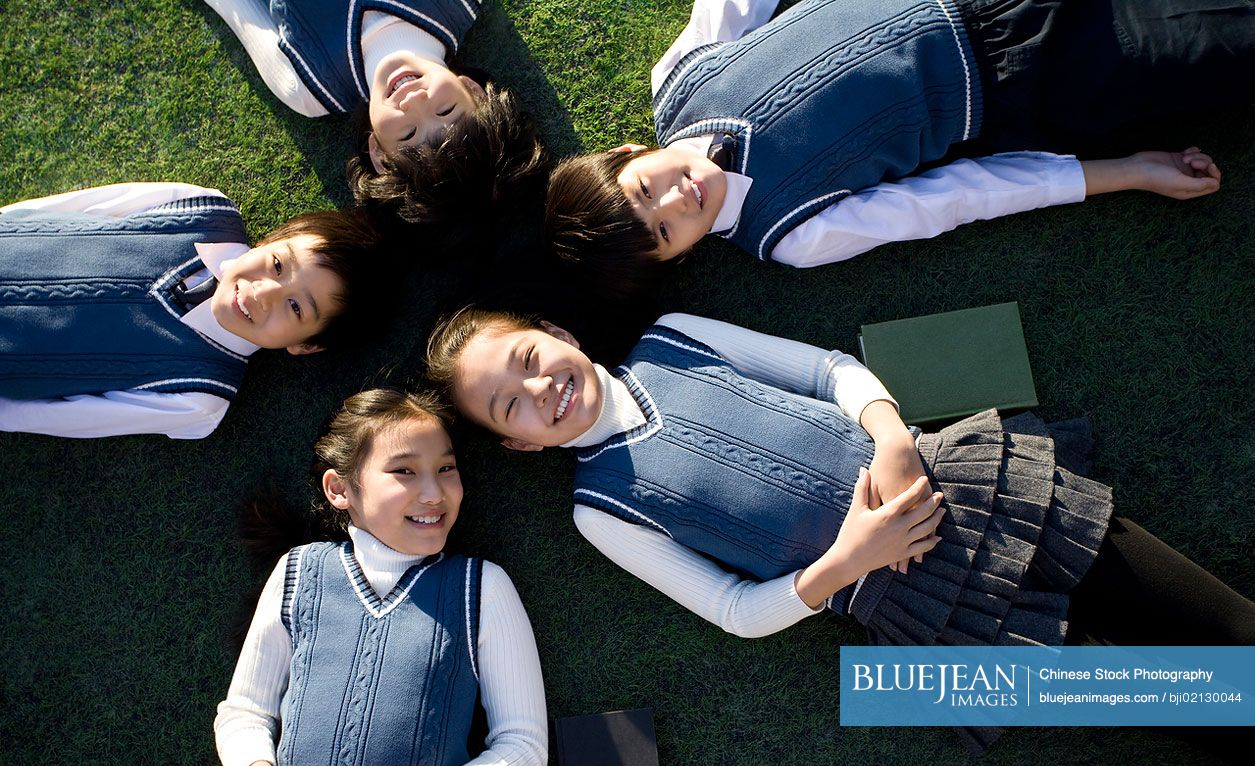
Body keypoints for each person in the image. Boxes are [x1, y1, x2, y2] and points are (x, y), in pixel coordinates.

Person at [426, 307, 1255, 656]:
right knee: (1166, 692)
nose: (541, 390)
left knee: (1207, 618)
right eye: (513, 406)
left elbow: (826, 371)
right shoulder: (599, 512)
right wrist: (850, 558)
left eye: (531, 360)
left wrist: (892, 437)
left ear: (556, 332)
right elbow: (732, 611)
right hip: (908, 604)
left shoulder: (672, 339)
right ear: (520, 446)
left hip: (958, 486)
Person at [545, 0, 1251, 288]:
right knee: (1220, 42)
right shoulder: (790, 234)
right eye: (667, 230)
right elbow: (956, 198)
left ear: (629, 151)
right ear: (682, 252)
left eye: (645, 188)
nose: (678, 197)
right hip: (1030, 78)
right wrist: (1126, 172)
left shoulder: (678, 80)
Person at [215, 388, 548, 766]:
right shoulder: (298, 571)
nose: (433, 492)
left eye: (446, 468)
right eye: (404, 471)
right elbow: (244, 712)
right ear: (340, 489)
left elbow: (523, 750)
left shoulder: (480, 588)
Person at [0, 182, 384, 439]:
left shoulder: (198, 396)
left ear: (307, 345)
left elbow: (60, 417)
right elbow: (75, 209)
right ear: (273, 240)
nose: (262, 293)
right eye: (278, 265)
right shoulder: (203, 210)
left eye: (296, 306)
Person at [202, 0, 546, 222]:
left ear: (379, 154)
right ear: (473, 90)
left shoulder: (310, 88)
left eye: (409, 133)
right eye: (445, 109)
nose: (414, 101)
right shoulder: (456, 4)